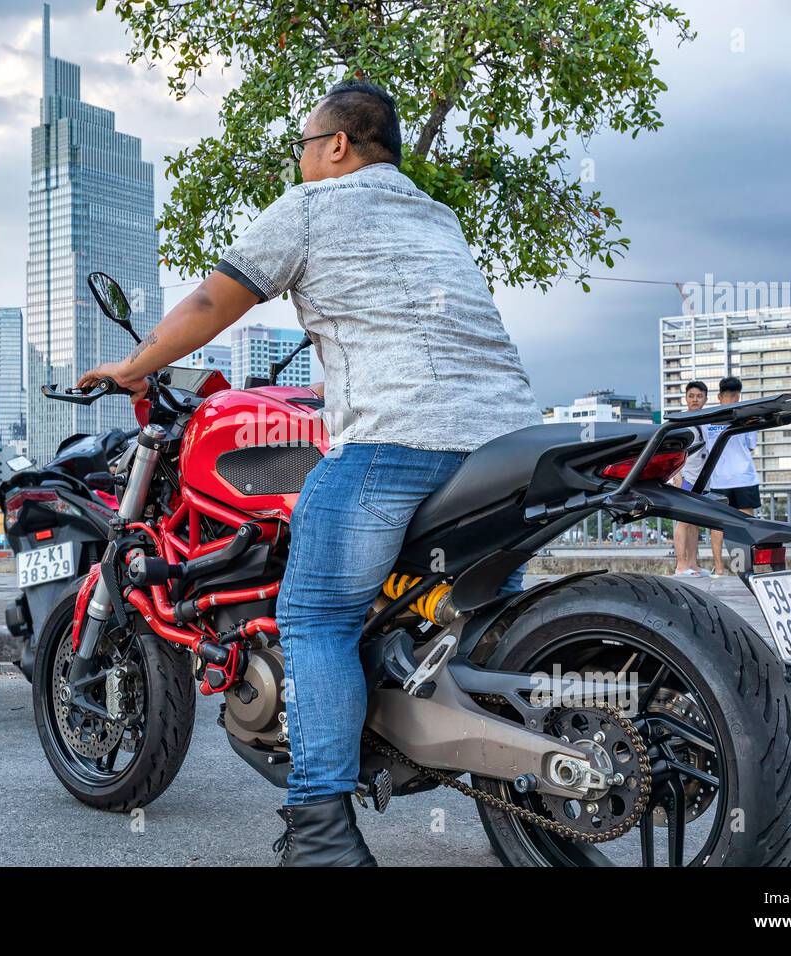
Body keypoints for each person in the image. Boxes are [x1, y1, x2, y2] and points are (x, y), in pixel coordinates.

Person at [77, 79, 540, 866]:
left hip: (399, 443)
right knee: (493, 617)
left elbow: (209, 304)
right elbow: (417, 332)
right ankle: (529, 787)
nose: (299, 160)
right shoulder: (437, 218)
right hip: (508, 446)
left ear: (337, 145)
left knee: (317, 615)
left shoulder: (314, 207)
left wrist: (135, 364)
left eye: (302, 145)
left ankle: (321, 828)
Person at [705, 376, 760, 575]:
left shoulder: (708, 418)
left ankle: (719, 568)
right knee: (745, 525)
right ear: (738, 396)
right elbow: (751, 446)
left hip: (719, 479)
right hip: (744, 477)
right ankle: (743, 567)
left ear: (719, 396)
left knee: (718, 525)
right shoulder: (747, 417)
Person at [671, 380, 710, 577]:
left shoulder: (706, 421)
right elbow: (674, 450)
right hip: (685, 477)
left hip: (701, 479)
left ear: (705, 398)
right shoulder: (681, 422)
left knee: (695, 522)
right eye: (692, 396)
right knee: (683, 522)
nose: (695, 400)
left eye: (699, 396)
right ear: (686, 398)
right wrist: (676, 476)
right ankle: (681, 565)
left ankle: (693, 564)